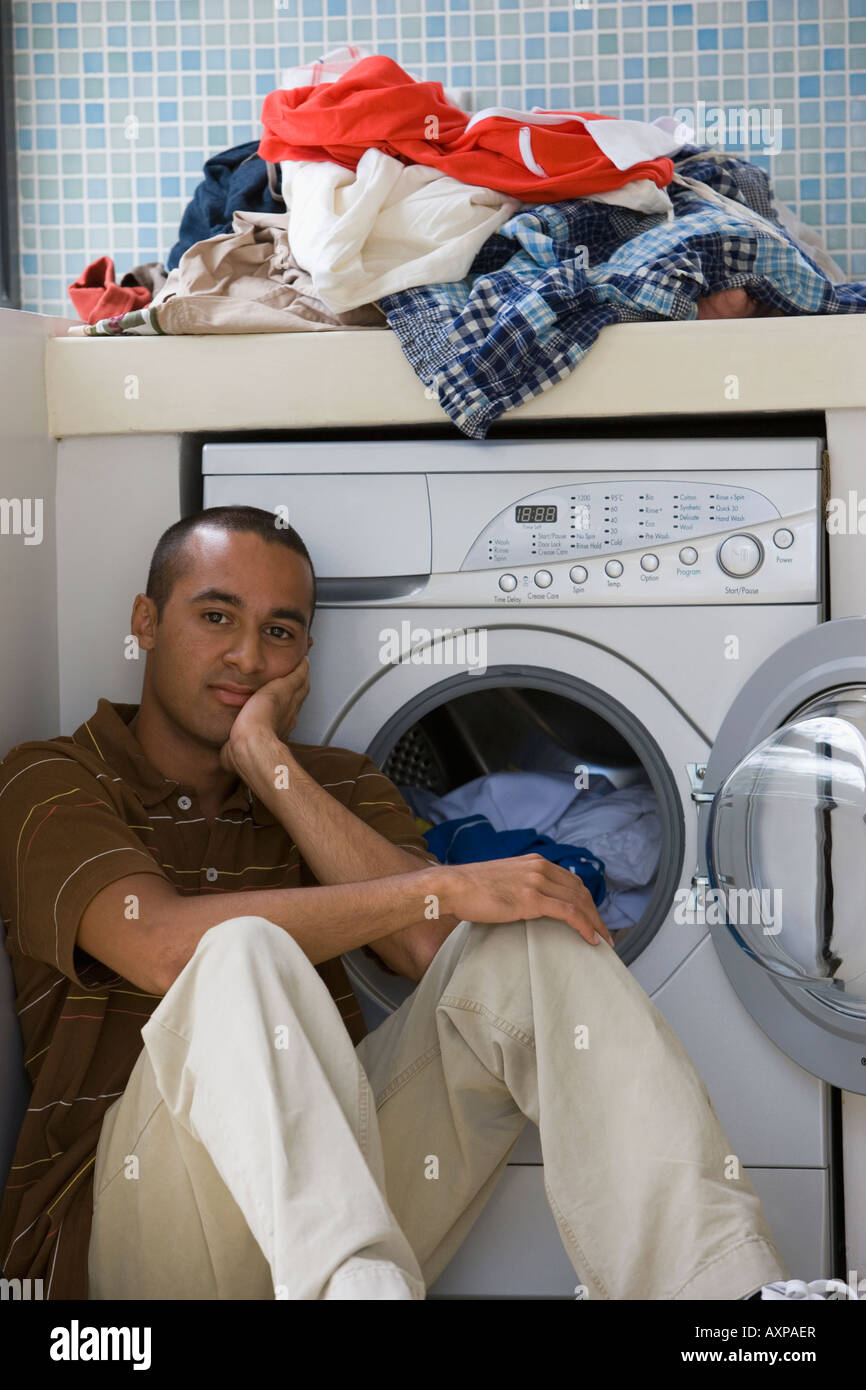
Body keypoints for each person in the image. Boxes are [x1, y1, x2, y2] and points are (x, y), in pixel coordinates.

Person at [0, 505, 788, 1301]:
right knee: (240, 949)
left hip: (330, 1214)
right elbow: (164, 946)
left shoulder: (331, 781)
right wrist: (443, 881)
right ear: (146, 621)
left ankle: (723, 1303)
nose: (245, 656)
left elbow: (427, 950)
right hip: (128, 1240)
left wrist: (269, 763)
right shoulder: (53, 779)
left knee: (529, 940)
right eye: (215, 616)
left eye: (279, 632)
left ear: (304, 655)